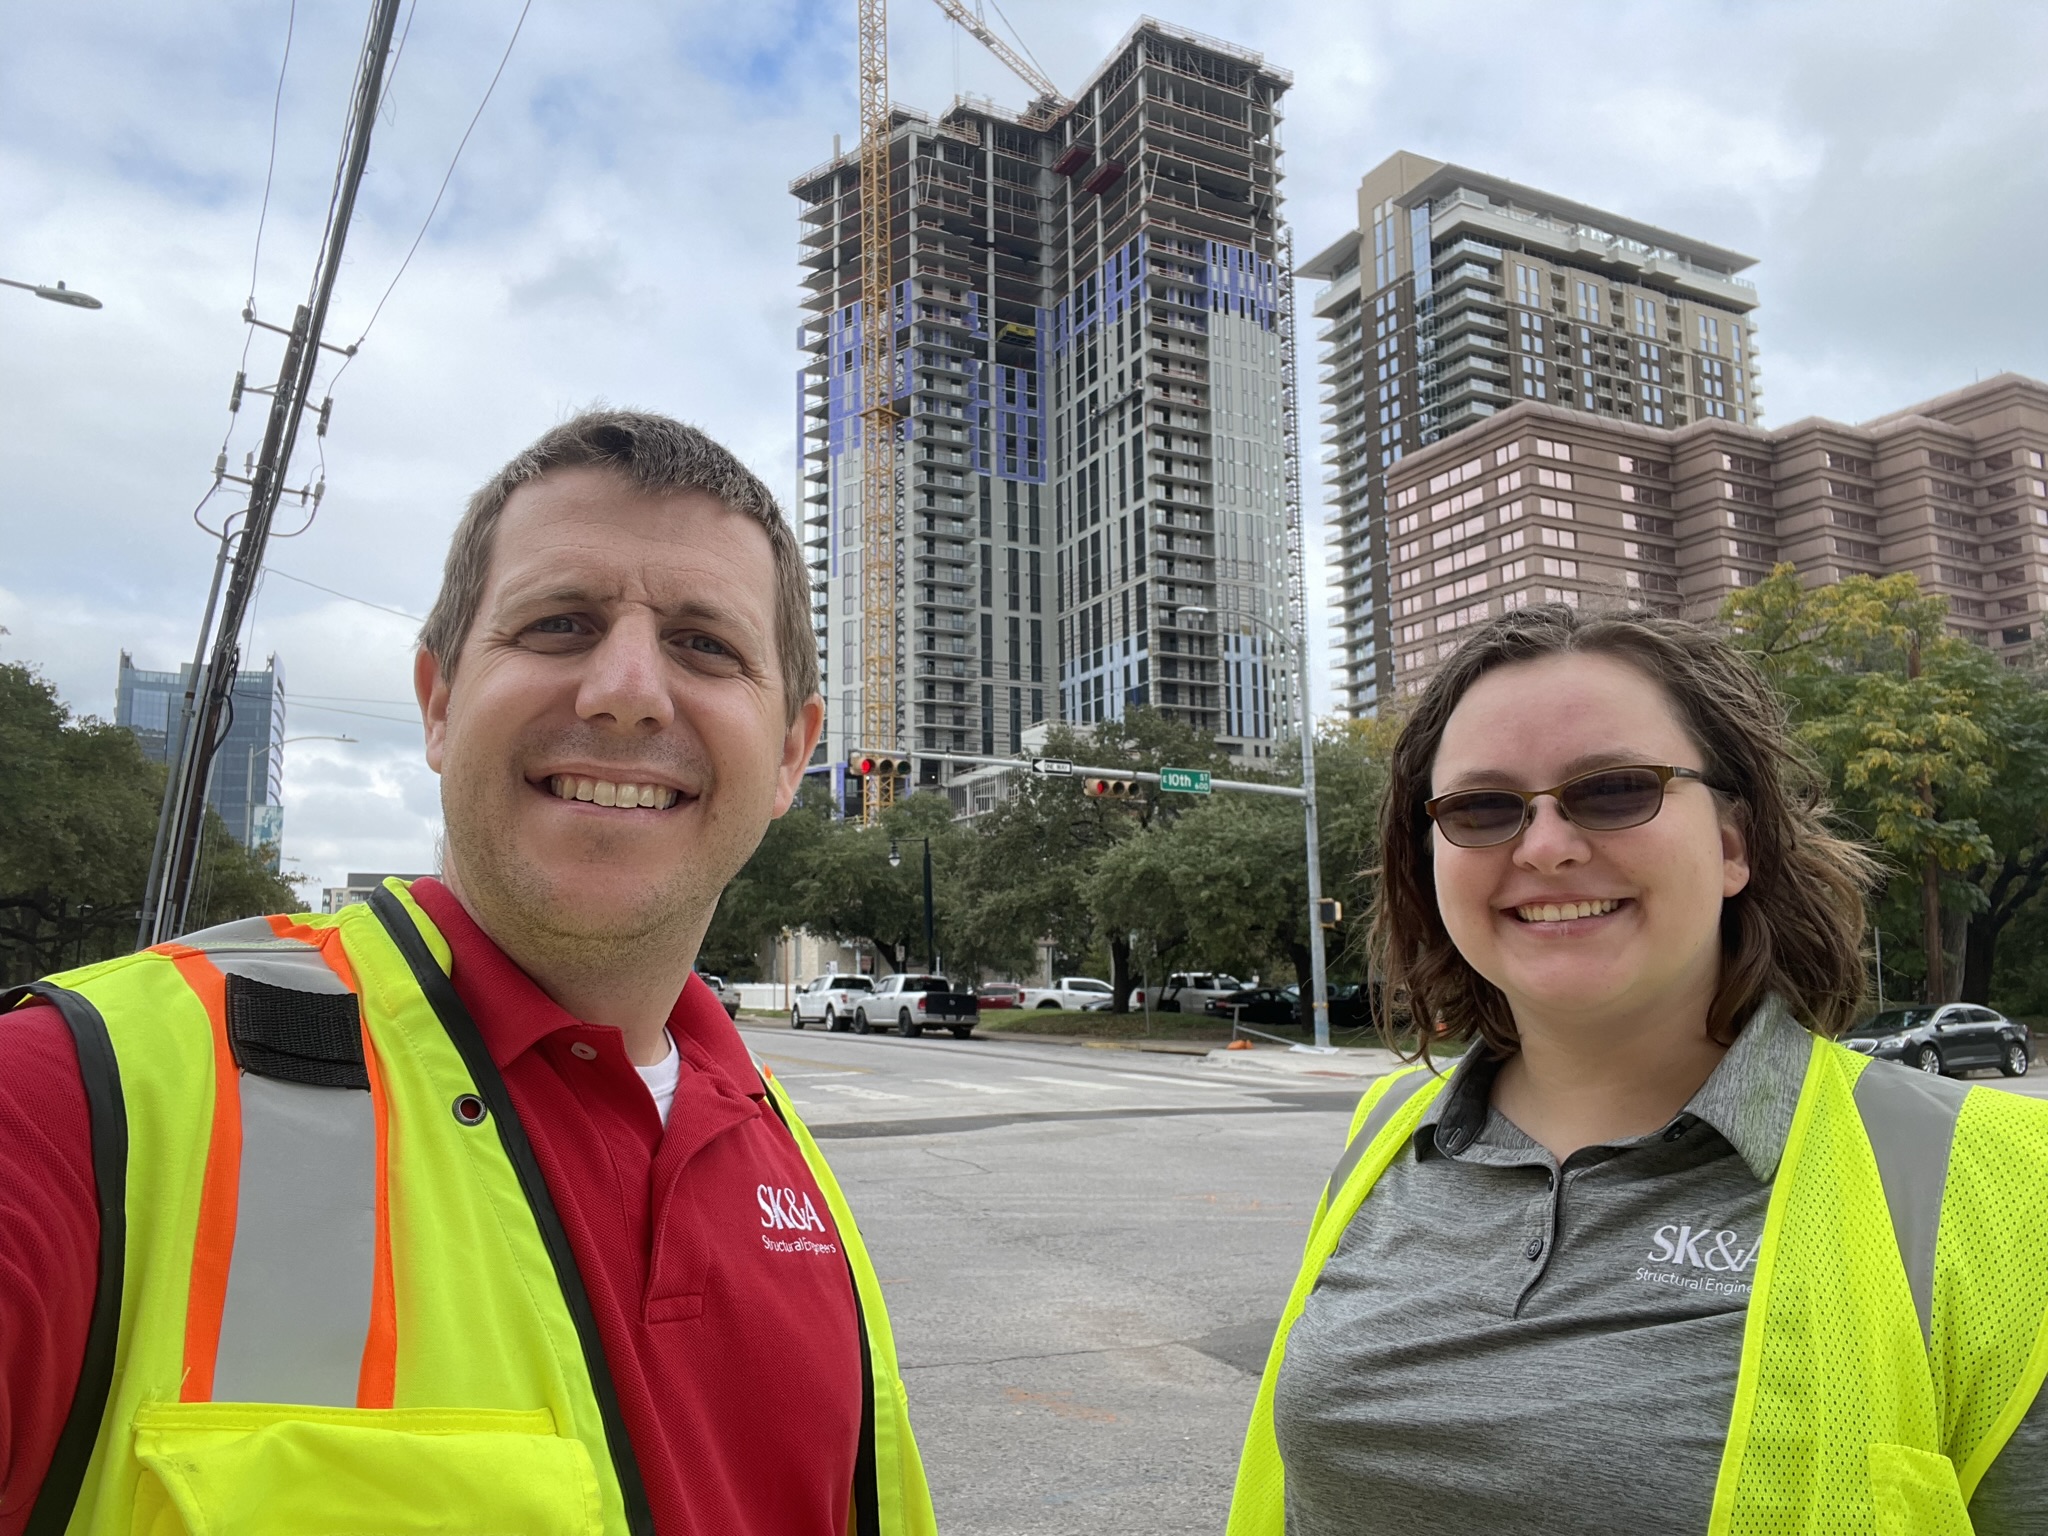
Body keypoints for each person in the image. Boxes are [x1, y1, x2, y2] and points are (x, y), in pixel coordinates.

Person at [0, 411, 936, 1536]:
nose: (626, 689)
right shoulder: (71, 1102)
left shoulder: (780, 1153)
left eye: (705, 645)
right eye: (559, 624)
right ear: (439, 702)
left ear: (791, 752)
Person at [1227, 604, 2048, 1536]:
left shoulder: (2011, 1181)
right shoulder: (1388, 1130)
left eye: (1615, 789)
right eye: (1482, 808)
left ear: (1733, 845)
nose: (1544, 846)